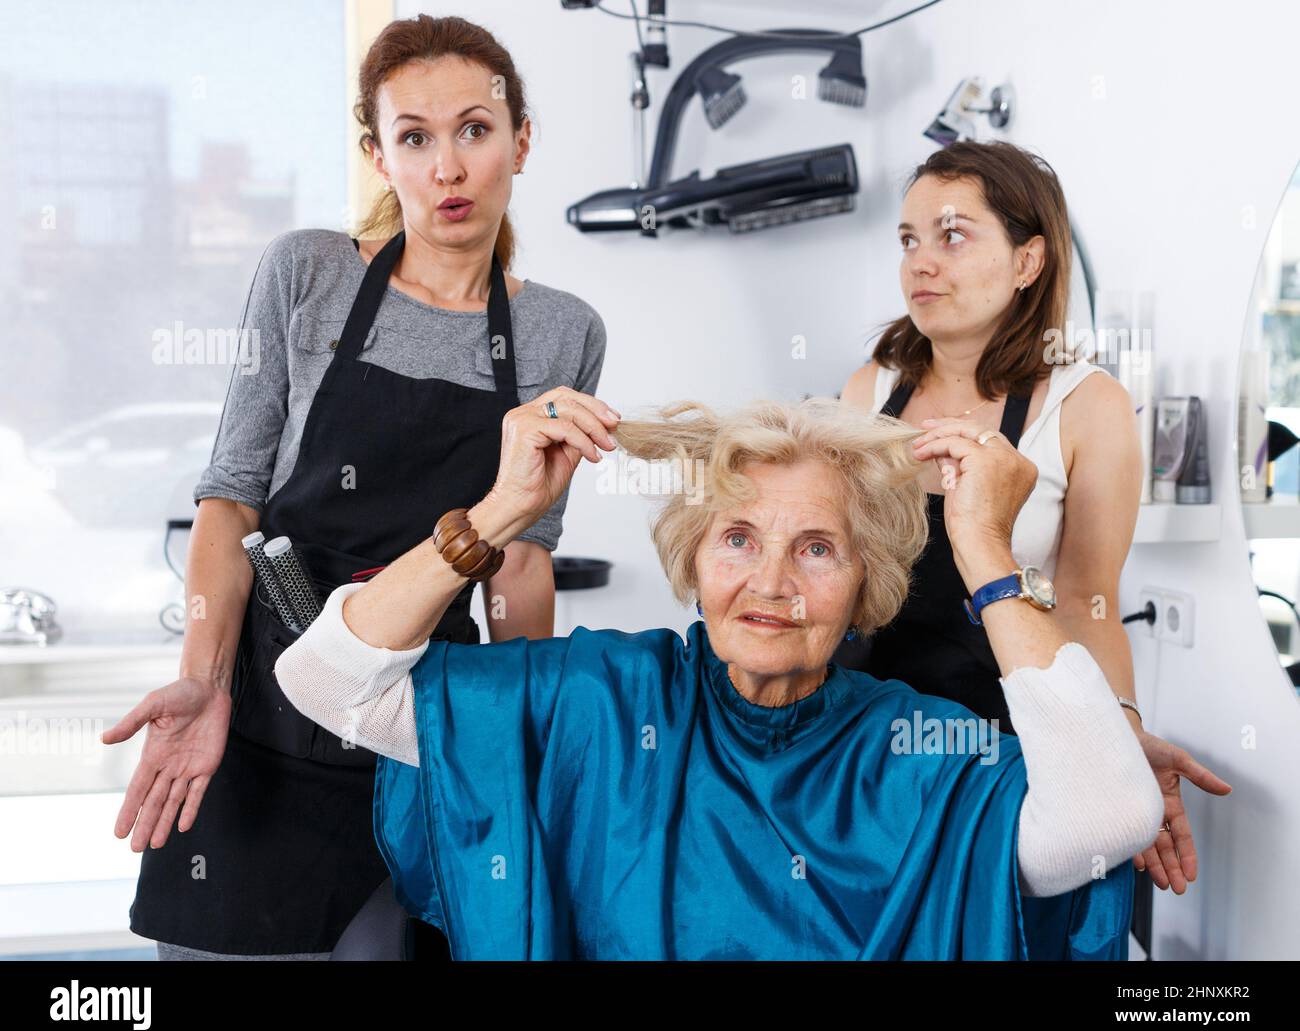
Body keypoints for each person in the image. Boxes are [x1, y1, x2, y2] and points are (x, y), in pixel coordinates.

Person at [273, 386, 1164, 960]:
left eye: (816, 548)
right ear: (694, 561)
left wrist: (984, 551)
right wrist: (502, 510)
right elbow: (326, 680)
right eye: (738, 539)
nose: (770, 584)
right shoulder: (602, 703)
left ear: (867, 587)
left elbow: (1106, 818)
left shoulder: (918, 753)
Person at [102, 14, 606, 960]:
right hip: (256, 718)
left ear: (521, 140)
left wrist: (515, 739)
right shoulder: (310, 274)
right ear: (380, 156)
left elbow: (520, 558)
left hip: (416, 732)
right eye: (413, 138)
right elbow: (233, 499)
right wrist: (203, 686)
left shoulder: (561, 333)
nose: (447, 168)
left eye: (474, 129)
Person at [839, 140, 1230, 897]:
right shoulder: (870, 388)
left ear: (1028, 261)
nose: (921, 262)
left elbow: (1090, 601)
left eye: (953, 235)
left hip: (1008, 740)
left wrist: (1121, 732)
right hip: (865, 734)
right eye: (909, 240)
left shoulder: (1088, 406)